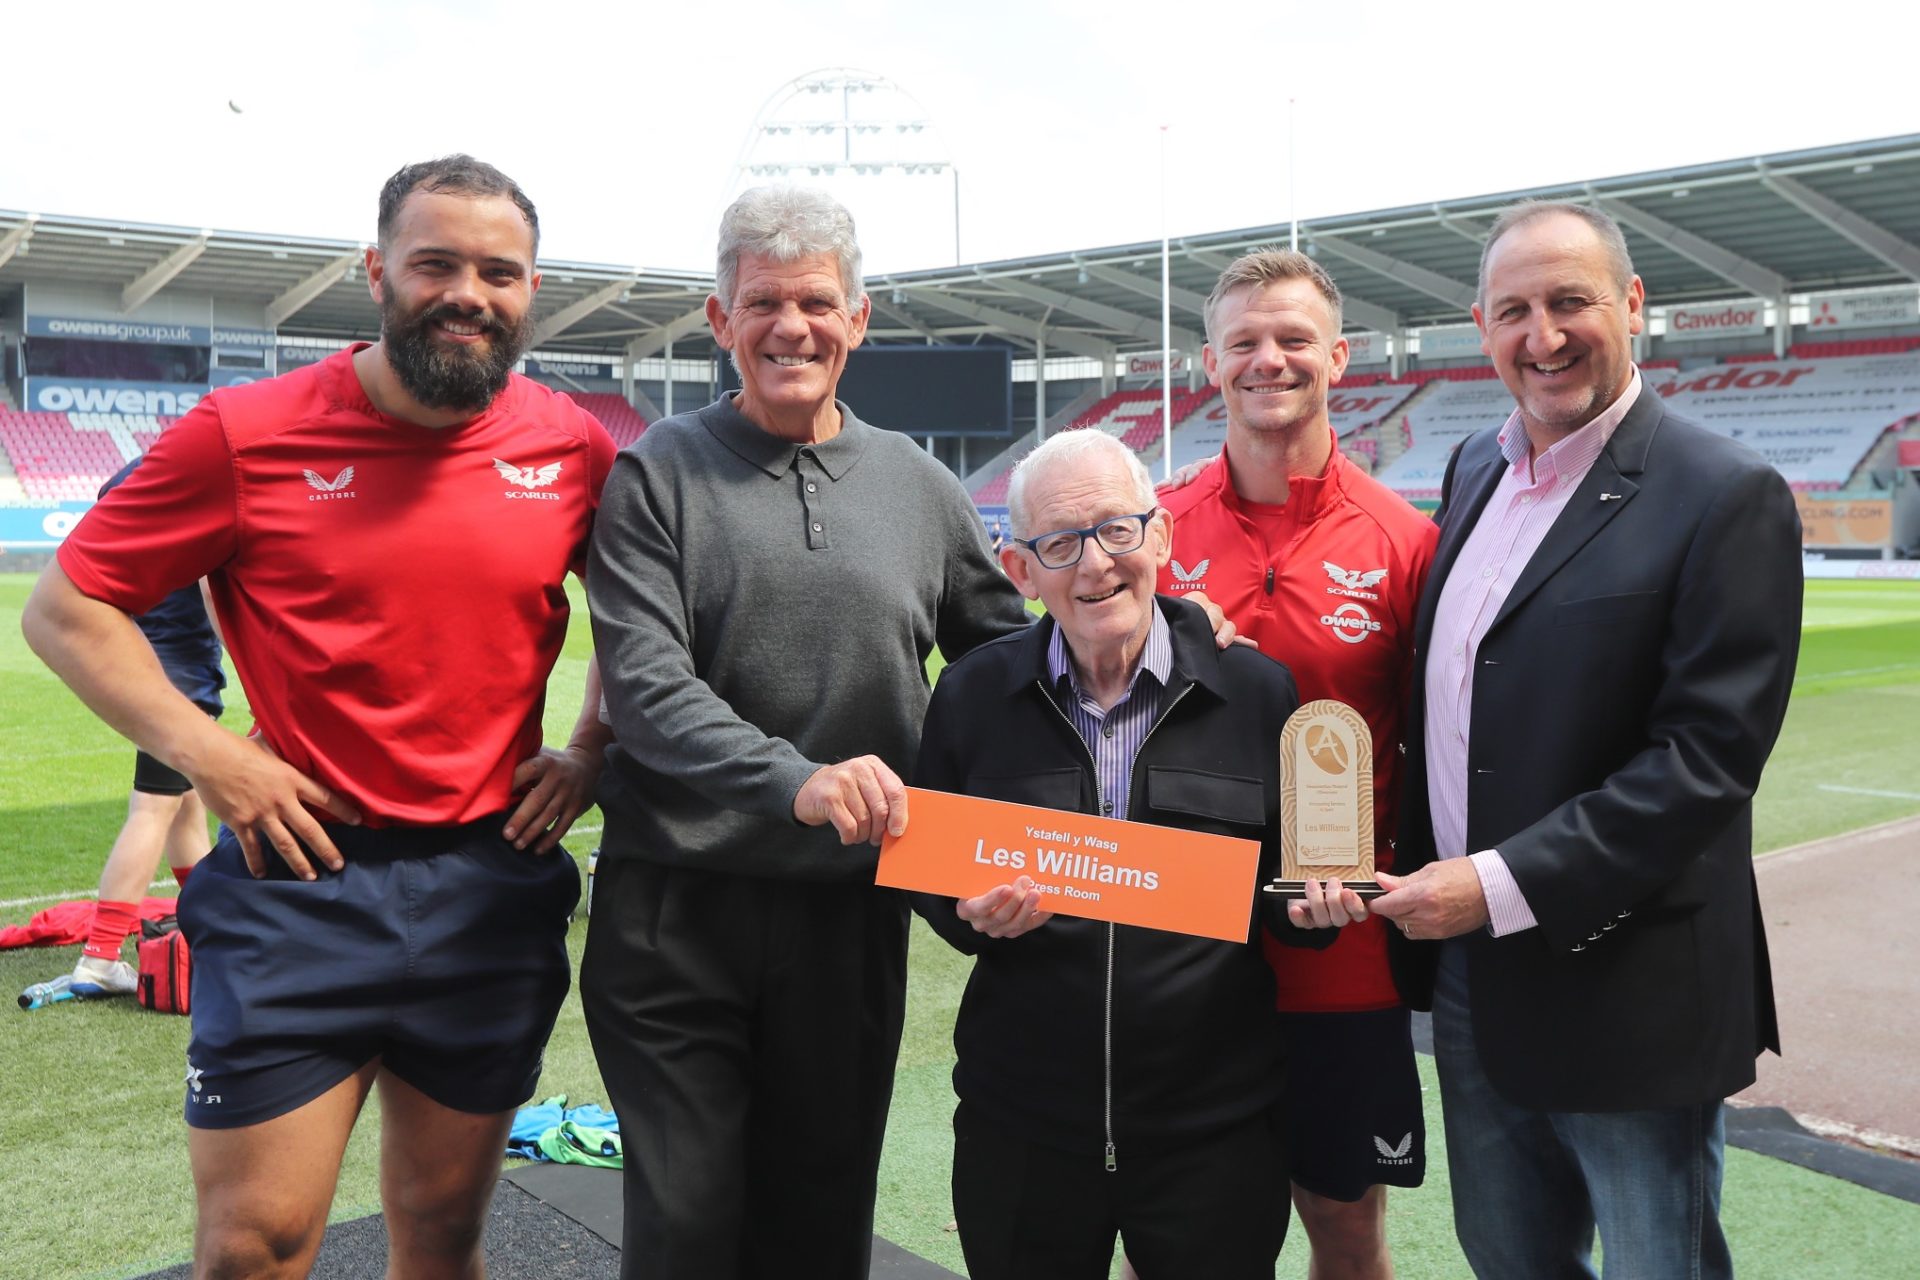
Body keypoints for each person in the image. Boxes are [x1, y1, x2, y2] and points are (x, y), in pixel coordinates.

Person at [22, 154, 614, 1279]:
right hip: (300, 882)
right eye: (435, 262)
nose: (468, 292)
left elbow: (645, 625)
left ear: (532, 288)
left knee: (441, 1236)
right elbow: (66, 610)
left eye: (501, 271)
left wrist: (588, 747)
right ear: (376, 269)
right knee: (255, 1246)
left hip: (490, 887)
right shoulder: (244, 433)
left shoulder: (572, 445)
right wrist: (210, 758)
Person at [581, 185, 1036, 1280]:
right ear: (719, 316)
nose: (794, 325)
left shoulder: (923, 488)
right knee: (687, 1229)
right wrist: (798, 779)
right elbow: (645, 687)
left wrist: (1144, 621)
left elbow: (1004, 672)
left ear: (860, 317)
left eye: (818, 301)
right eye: (765, 301)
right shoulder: (655, 474)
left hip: (848, 919)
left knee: (821, 1227)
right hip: (675, 912)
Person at [1371, 201, 1802, 1279]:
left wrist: (1497, 881)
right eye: (1514, 310)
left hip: (1628, 983)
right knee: (1509, 1257)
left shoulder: (1723, 492)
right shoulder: (1474, 464)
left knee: (1659, 1262)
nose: (1544, 335)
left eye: (1571, 302)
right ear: (1481, 326)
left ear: (1633, 305)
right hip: (1475, 975)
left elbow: (1704, 757)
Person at [911, 428, 1364, 1280]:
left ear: (1160, 537)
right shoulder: (971, 695)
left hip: (1215, 1136)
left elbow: (1294, 905)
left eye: (1118, 530)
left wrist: (1317, 912)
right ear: (1021, 572)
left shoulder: (1258, 693)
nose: (1096, 566)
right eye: (1060, 544)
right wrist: (969, 918)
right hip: (1025, 1132)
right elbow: (934, 880)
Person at [1156, 250, 1438, 1279]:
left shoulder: (1405, 540)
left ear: (1340, 358)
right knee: (1169, 1223)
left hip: (1343, 945)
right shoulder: (1152, 533)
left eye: (1292, 339)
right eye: (1245, 341)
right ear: (1210, 361)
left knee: (1345, 1219)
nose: (1268, 359)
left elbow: (1442, 741)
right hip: (1186, 941)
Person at [42, 456, 225, 1001]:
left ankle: (207, 931)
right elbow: (215, 589)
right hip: (178, 674)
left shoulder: (127, 479)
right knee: (153, 807)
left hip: (133, 662)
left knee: (183, 805)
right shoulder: (203, 482)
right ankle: (99, 958)